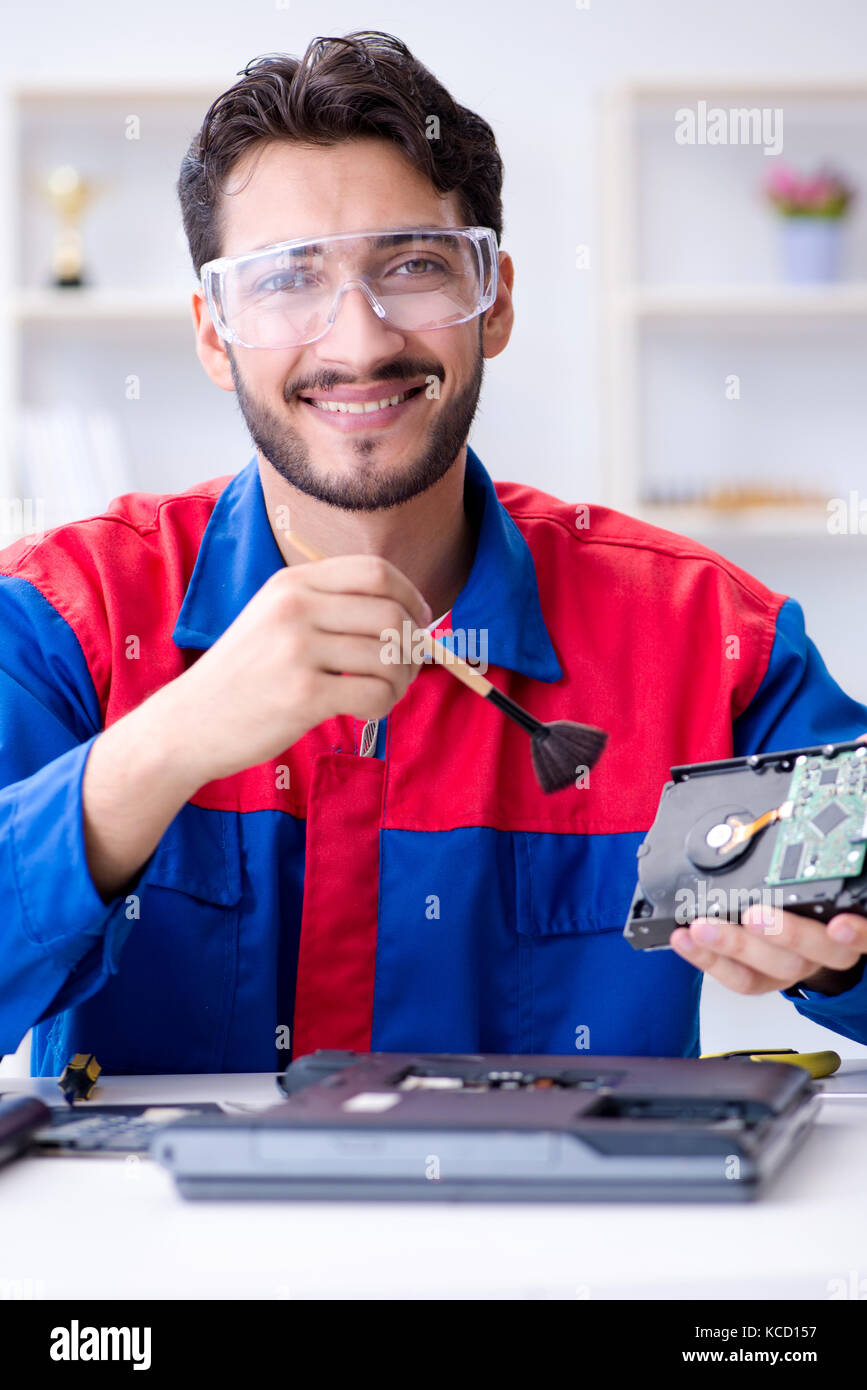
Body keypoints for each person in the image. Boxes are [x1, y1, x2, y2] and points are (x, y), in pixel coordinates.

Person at [1, 30, 866, 1077]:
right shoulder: (64, 618)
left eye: (411, 266)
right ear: (214, 331)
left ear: (493, 300)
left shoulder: (710, 636)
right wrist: (157, 750)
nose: (358, 341)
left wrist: (837, 957)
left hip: (576, 1245)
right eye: (287, 281)